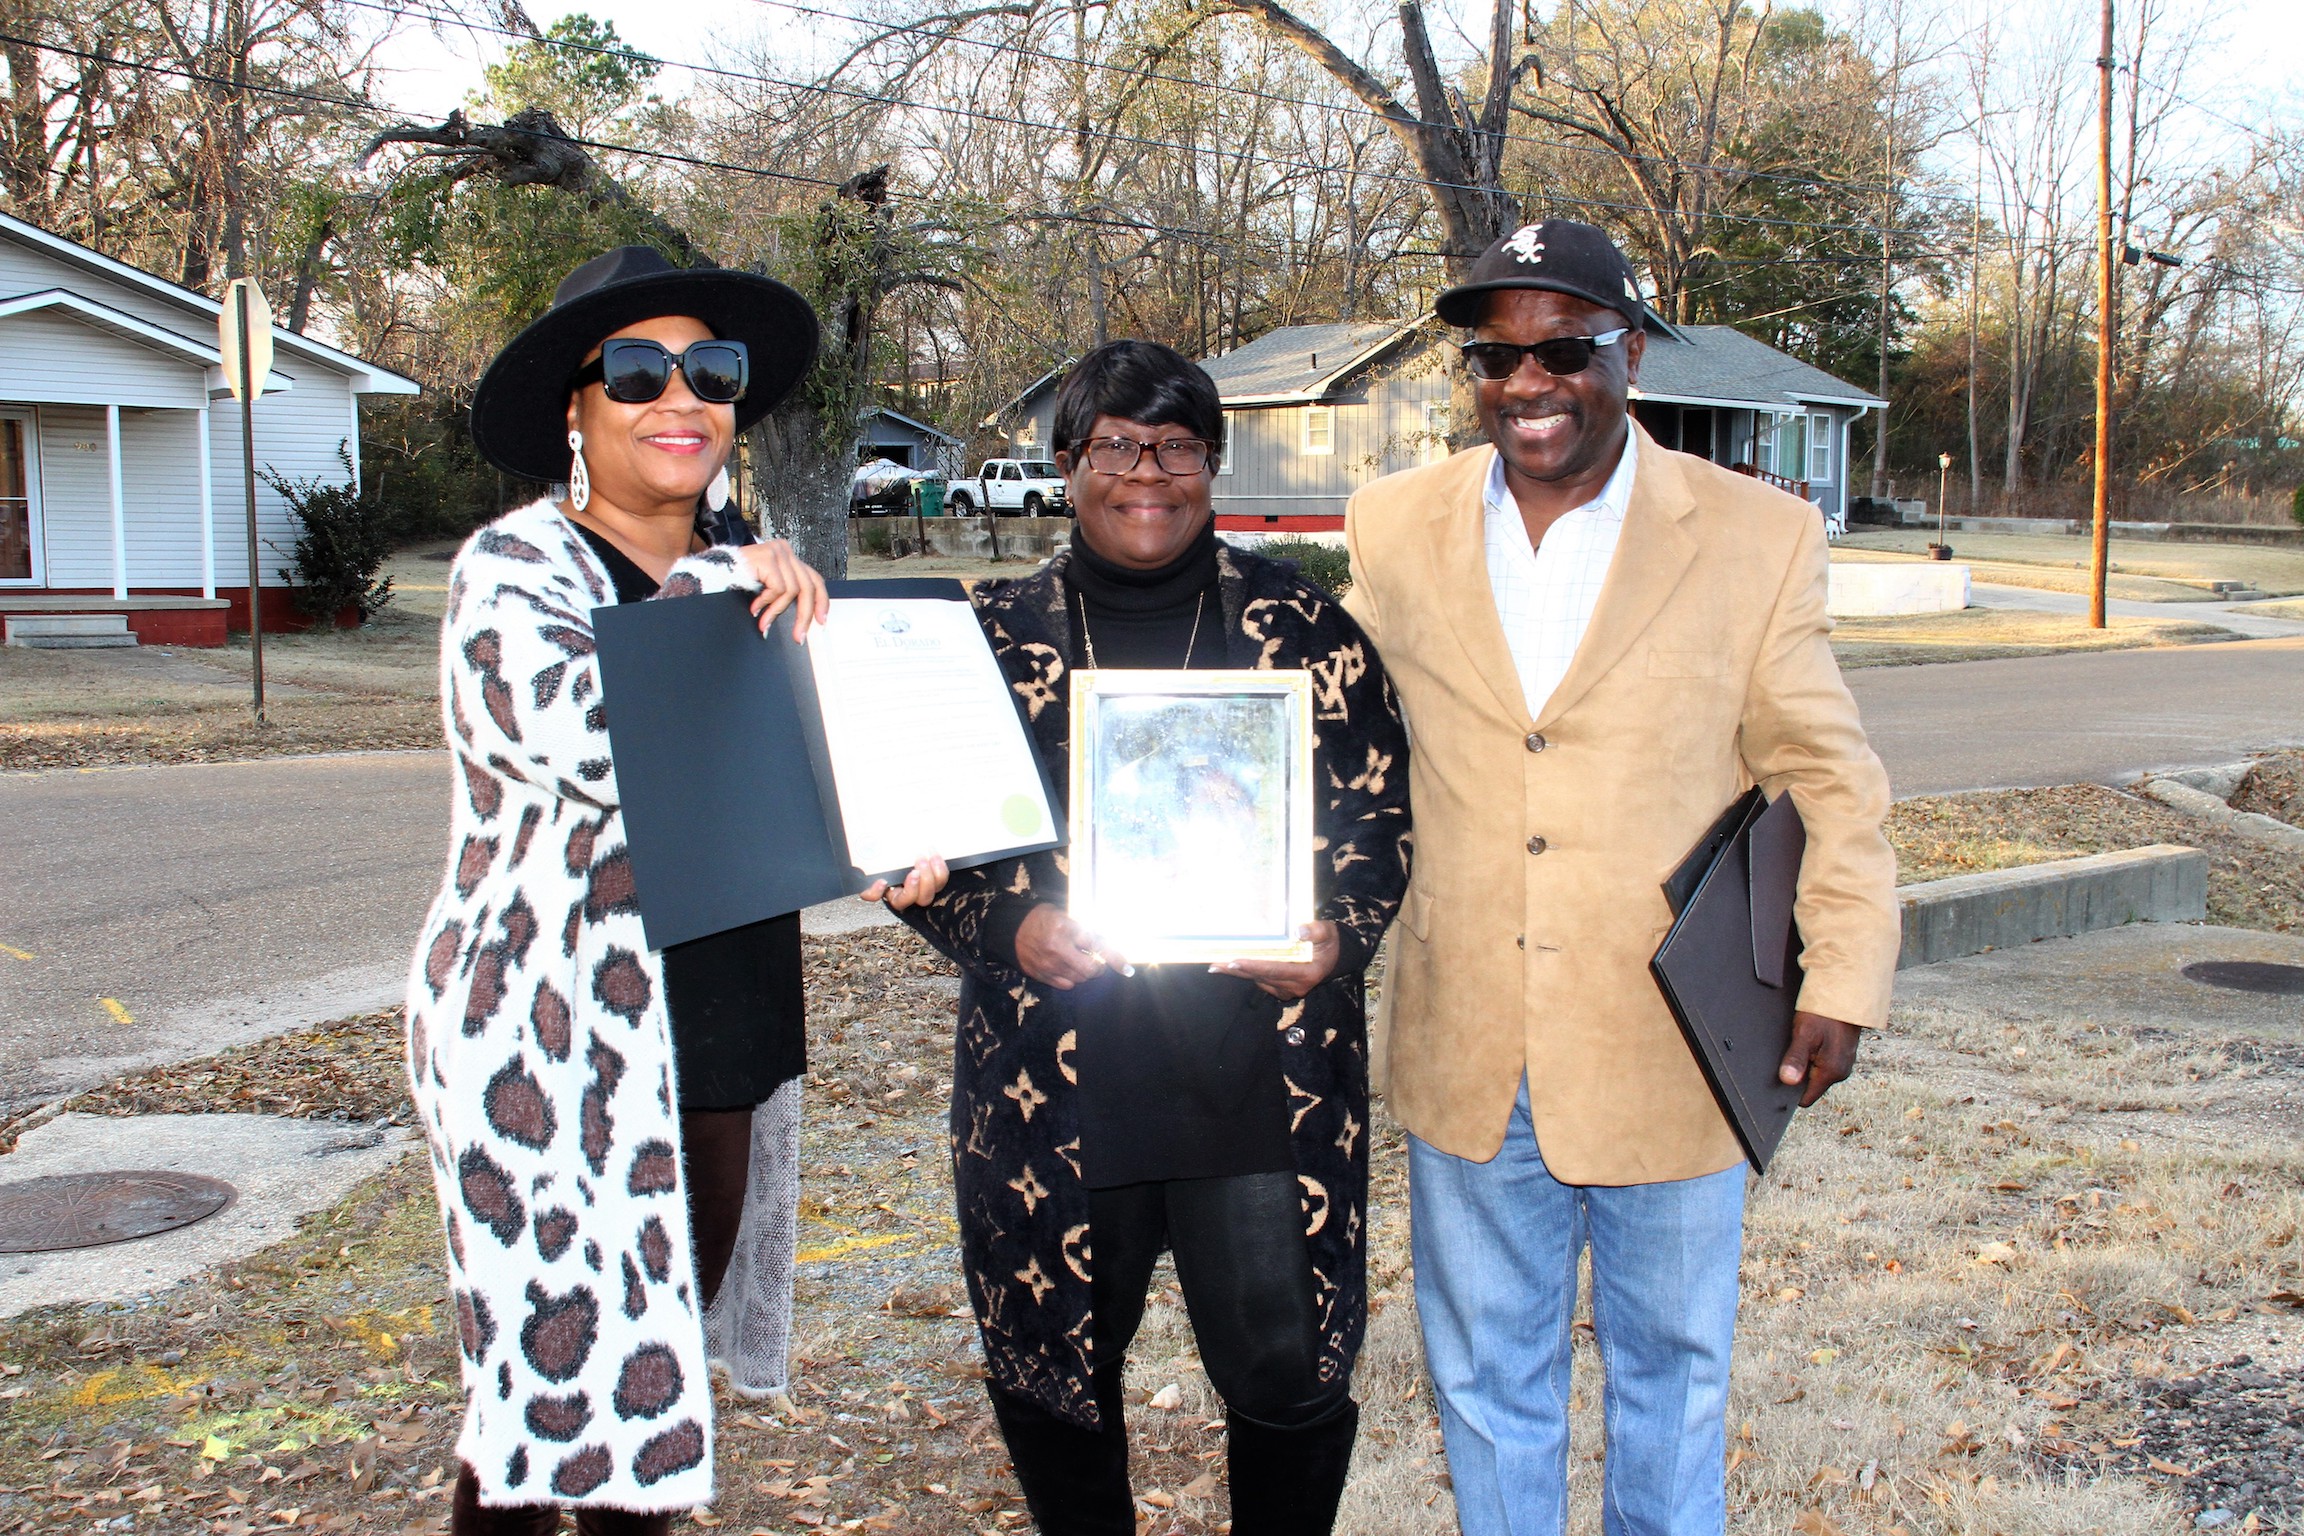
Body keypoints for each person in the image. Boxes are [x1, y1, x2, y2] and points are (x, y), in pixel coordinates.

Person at [1341, 221, 1902, 1534]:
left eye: (1566, 349)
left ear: (1629, 353)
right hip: (1471, 1038)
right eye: (1496, 356)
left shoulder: (1757, 537)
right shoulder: (1393, 524)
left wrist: (1846, 972)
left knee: (1672, 1379)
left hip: (1675, 1043)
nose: (1529, 382)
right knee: (1489, 1385)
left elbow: (1828, 775)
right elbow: (1328, 733)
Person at [410, 245, 944, 1528]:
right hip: (551, 1037)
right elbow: (601, 735)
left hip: (720, 1004)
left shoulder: (758, 572)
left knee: (653, 1355)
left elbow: (805, 761)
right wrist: (733, 582)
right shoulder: (514, 569)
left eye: (711, 372)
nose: (681, 398)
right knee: (547, 1388)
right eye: (638, 372)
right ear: (576, 410)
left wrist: (897, 832)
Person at [898, 340, 1411, 1536]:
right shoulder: (988, 641)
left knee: (1285, 1379)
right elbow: (925, 860)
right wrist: (1009, 927)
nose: (1149, 472)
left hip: (1258, 1078)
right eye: (1116, 446)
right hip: (1053, 1087)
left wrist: (1335, 939)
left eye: (1178, 446)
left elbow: (1379, 823)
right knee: (1062, 1387)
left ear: (1211, 464)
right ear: (1066, 464)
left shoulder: (1305, 634)